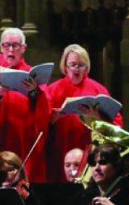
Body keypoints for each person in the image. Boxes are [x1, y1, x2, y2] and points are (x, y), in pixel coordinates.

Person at [44, 44, 122, 182]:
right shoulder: (53, 90)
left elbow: (116, 125)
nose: (77, 69)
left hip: (89, 148)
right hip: (61, 148)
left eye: (81, 65)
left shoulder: (98, 89)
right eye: (73, 65)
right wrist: (51, 120)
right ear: (65, 67)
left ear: (87, 67)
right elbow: (38, 124)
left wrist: (97, 118)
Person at [0, 28, 50, 182]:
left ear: (24, 48)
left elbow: (44, 109)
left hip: (25, 138)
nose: (11, 50)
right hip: (1, 135)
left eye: (15, 45)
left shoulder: (32, 75)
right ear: (0, 48)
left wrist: (34, 92)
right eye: (6, 45)